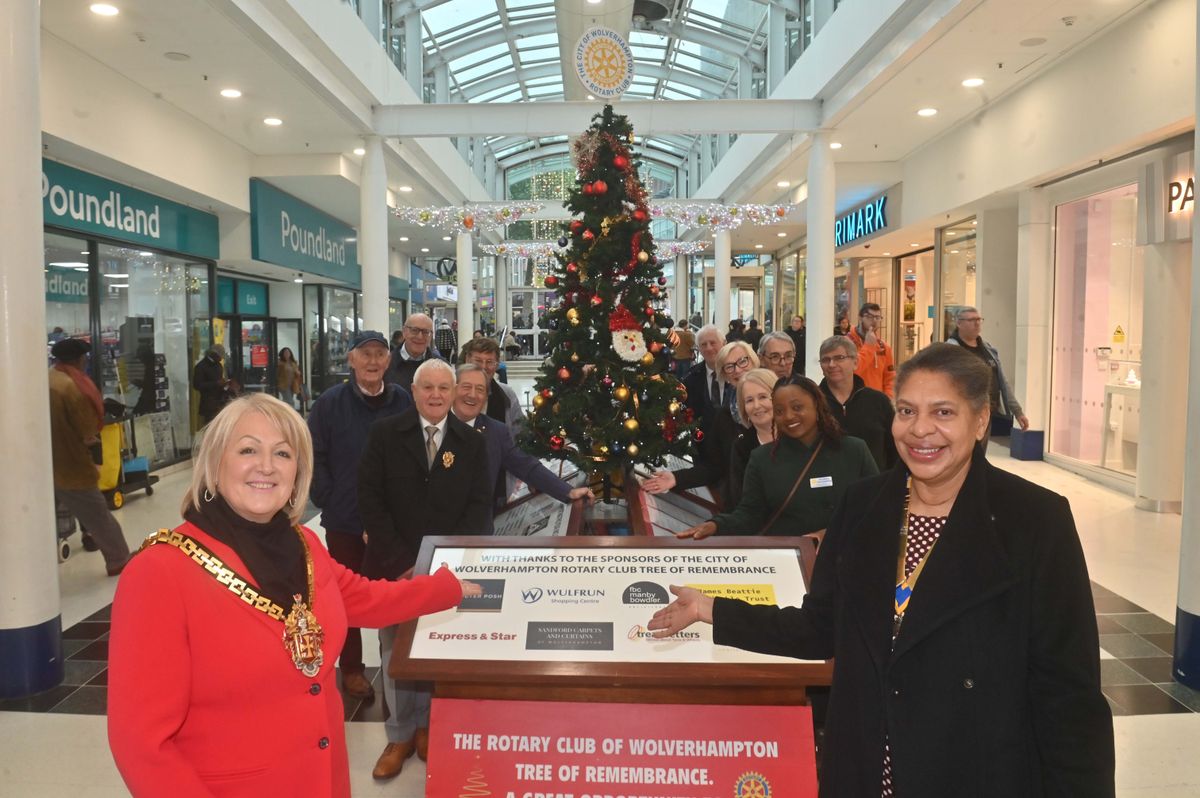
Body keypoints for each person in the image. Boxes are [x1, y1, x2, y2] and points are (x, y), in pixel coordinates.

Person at [648, 343, 1115, 796]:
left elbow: (1069, 696)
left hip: (974, 769)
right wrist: (711, 609)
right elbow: (818, 628)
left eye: (943, 412)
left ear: (979, 421)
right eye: (907, 411)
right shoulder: (864, 505)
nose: (920, 430)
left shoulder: (1034, 520)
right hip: (868, 767)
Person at [107, 394, 480, 797]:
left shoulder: (303, 543)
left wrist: (448, 588)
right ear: (214, 464)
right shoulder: (159, 571)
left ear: (297, 472)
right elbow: (142, 745)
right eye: (248, 449)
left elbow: (366, 599)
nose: (266, 466)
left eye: (283, 453)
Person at [357, 358, 492, 779]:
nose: (436, 395)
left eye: (443, 388)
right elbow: (371, 500)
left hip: (446, 575)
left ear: (454, 394)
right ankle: (399, 734)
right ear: (412, 391)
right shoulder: (384, 434)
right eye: (427, 387)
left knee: (437, 649)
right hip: (394, 568)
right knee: (395, 649)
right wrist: (402, 565)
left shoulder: (472, 443)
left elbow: (478, 509)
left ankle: (429, 728)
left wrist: (445, 571)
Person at [306, 330, 412, 701]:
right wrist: (330, 500)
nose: (372, 361)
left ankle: (401, 666)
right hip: (346, 522)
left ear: (388, 361)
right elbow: (313, 455)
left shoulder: (403, 401)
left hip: (394, 523)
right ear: (350, 360)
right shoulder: (329, 405)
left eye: (379, 354)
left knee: (398, 594)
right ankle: (350, 668)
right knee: (343, 597)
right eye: (364, 354)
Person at [675, 377, 877, 538]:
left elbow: (874, 508)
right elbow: (749, 514)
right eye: (780, 411)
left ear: (817, 406)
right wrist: (715, 525)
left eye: (797, 407)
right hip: (792, 565)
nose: (788, 416)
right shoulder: (761, 458)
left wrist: (828, 535)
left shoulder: (854, 450)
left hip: (845, 562)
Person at [452, 365, 593, 523]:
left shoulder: (496, 431)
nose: (472, 395)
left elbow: (526, 466)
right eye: (466, 387)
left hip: (478, 531)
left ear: (486, 397)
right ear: (453, 389)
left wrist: (568, 492)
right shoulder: (434, 427)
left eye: (480, 389)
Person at [641, 340, 759, 510]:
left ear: (754, 361)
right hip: (743, 509)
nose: (738, 370)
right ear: (724, 375)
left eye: (743, 361)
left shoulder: (779, 405)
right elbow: (714, 466)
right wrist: (676, 478)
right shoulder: (724, 416)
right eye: (729, 367)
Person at [48, 338, 131, 576]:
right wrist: (95, 460)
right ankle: (120, 559)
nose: (86, 361)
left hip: (47, 464)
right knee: (99, 515)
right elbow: (88, 431)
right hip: (71, 463)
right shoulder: (72, 387)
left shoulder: (50, 378)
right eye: (84, 357)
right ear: (77, 359)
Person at [818, 335, 898, 471]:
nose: (831, 364)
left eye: (839, 358)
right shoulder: (812, 402)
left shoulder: (878, 401)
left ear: (855, 362)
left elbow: (894, 449)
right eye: (826, 359)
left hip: (874, 487)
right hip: (827, 488)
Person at [946, 306, 1030, 434]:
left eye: (979, 320)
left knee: (979, 451)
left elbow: (1003, 382)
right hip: (963, 412)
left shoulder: (988, 350)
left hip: (988, 412)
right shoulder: (950, 350)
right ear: (959, 323)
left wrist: (1017, 411)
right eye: (971, 320)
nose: (977, 324)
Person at [725, 368, 778, 511]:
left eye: (762, 397)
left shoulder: (798, 436)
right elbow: (739, 501)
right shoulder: (741, 447)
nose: (756, 406)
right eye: (749, 400)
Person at [460, 337, 525, 432]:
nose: (483, 367)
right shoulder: (451, 393)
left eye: (489, 362)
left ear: (497, 365)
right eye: (478, 361)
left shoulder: (507, 395)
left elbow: (519, 436)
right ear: (467, 360)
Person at [383, 312, 443, 392]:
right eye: (414, 330)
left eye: (425, 332)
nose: (420, 336)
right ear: (404, 332)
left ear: (431, 336)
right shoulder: (385, 365)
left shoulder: (442, 366)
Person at [846, 302, 896, 397]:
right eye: (869, 316)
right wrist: (869, 347)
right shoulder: (845, 343)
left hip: (877, 403)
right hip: (853, 400)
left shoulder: (884, 347)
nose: (874, 321)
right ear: (860, 318)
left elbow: (890, 379)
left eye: (878, 317)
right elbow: (852, 371)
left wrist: (887, 400)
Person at [681, 324, 726, 424]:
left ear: (724, 344)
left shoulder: (737, 374)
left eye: (713, 343)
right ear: (699, 349)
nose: (709, 348)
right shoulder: (689, 378)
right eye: (704, 344)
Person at [192, 344, 230, 425]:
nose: (220, 359)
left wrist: (226, 384)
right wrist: (215, 383)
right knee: (210, 426)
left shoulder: (218, 365)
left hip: (220, 401)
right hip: (208, 404)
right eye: (219, 357)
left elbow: (219, 381)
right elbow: (197, 385)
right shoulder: (201, 367)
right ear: (214, 354)